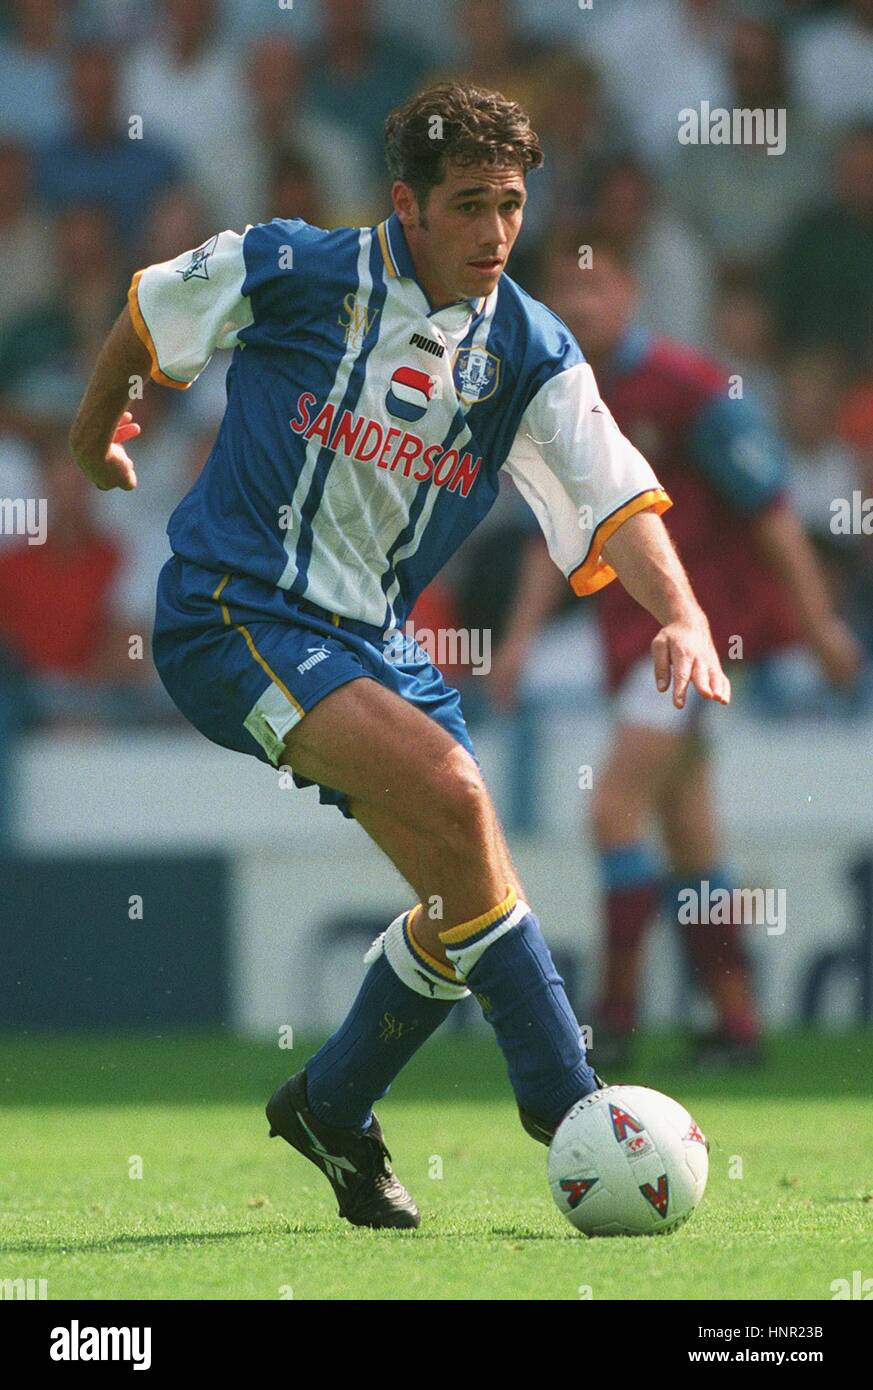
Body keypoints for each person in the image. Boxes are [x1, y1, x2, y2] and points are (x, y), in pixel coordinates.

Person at [69, 83, 730, 1230]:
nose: (494, 233)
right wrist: (94, 435)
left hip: (374, 645)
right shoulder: (295, 267)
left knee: (462, 889)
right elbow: (150, 315)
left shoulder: (527, 347)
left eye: (513, 205)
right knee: (456, 794)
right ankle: (576, 1110)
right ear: (406, 204)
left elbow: (614, 493)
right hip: (234, 612)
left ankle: (331, 1105)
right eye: (468, 205)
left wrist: (678, 612)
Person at [491, 236, 861, 1071]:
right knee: (687, 833)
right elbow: (543, 537)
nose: (580, 304)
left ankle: (612, 1022)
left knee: (609, 811)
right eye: (562, 288)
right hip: (630, 645)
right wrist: (514, 641)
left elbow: (769, 508)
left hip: (697, 636)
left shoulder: (688, 388)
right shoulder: (554, 396)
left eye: (596, 284)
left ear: (627, 290)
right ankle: (734, 1026)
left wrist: (817, 627)